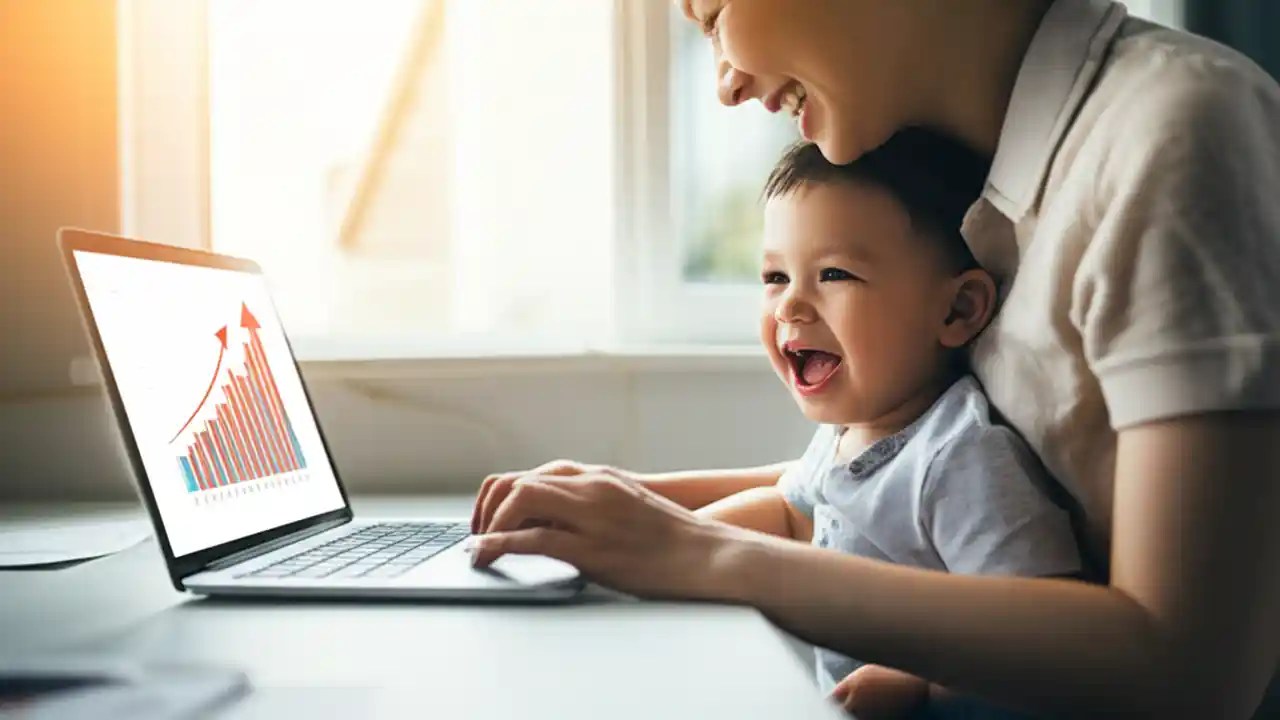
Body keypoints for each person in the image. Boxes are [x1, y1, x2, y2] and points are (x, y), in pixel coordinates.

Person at [471, 1, 1280, 716]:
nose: (727, 84)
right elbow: (862, 481)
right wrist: (622, 506)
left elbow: (1189, 672)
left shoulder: (1174, 131)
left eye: (713, 15)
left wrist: (708, 556)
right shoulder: (988, 182)